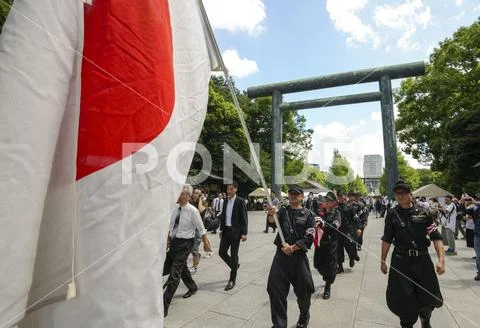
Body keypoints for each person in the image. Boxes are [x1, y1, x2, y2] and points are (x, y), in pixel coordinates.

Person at [380, 180, 445, 328]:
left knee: (428, 295)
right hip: (401, 261)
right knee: (404, 297)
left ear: (410, 194)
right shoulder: (392, 214)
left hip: (422, 260)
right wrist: (382, 261)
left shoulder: (424, 213)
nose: (400, 196)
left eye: (403, 193)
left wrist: (441, 260)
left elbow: (435, 236)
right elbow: (387, 239)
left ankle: (425, 318)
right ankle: (407, 323)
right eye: (397, 194)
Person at [266, 185, 315, 328]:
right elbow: (272, 223)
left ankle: (304, 314)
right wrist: (270, 214)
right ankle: (279, 324)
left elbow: (310, 237)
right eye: (290, 193)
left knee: (304, 292)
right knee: (275, 290)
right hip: (281, 257)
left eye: (296, 194)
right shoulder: (283, 211)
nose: (292, 196)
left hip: (298, 258)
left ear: (302, 197)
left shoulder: (308, 215)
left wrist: (292, 247)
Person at [163, 185, 211, 317]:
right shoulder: (175, 209)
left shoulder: (192, 211)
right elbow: (171, 225)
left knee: (174, 275)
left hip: (185, 244)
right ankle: (192, 287)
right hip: (174, 243)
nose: (178, 195)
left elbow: (201, 228)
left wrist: (206, 243)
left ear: (188, 197)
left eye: (181, 194)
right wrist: (167, 238)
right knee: (175, 268)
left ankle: (164, 304)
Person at [218, 181, 248, 291]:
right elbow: (223, 216)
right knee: (221, 252)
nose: (228, 191)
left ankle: (232, 280)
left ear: (235, 189)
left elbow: (244, 218)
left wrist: (244, 233)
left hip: (236, 232)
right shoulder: (225, 201)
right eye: (227, 189)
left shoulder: (240, 201)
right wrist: (221, 229)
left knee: (234, 255)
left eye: (231, 189)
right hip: (226, 231)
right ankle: (234, 266)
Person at [313, 191, 341, 300]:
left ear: (334, 203)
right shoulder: (320, 212)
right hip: (320, 243)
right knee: (317, 265)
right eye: (326, 199)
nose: (327, 202)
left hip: (331, 244)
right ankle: (327, 276)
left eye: (329, 200)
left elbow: (336, 225)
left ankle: (328, 286)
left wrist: (324, 224)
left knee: (329, 268)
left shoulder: (337, 213)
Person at [337, 192, 360, 273]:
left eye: (341, 196)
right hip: (338, 230)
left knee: (349, 246)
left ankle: (352, 257)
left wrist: (358, 228)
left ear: (345, 197)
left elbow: (356, 218)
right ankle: (340, 266)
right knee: (338, 249)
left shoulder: (349, 207)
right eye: (339, 196)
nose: (340, 198)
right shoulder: (335, 207)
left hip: (348, 230)